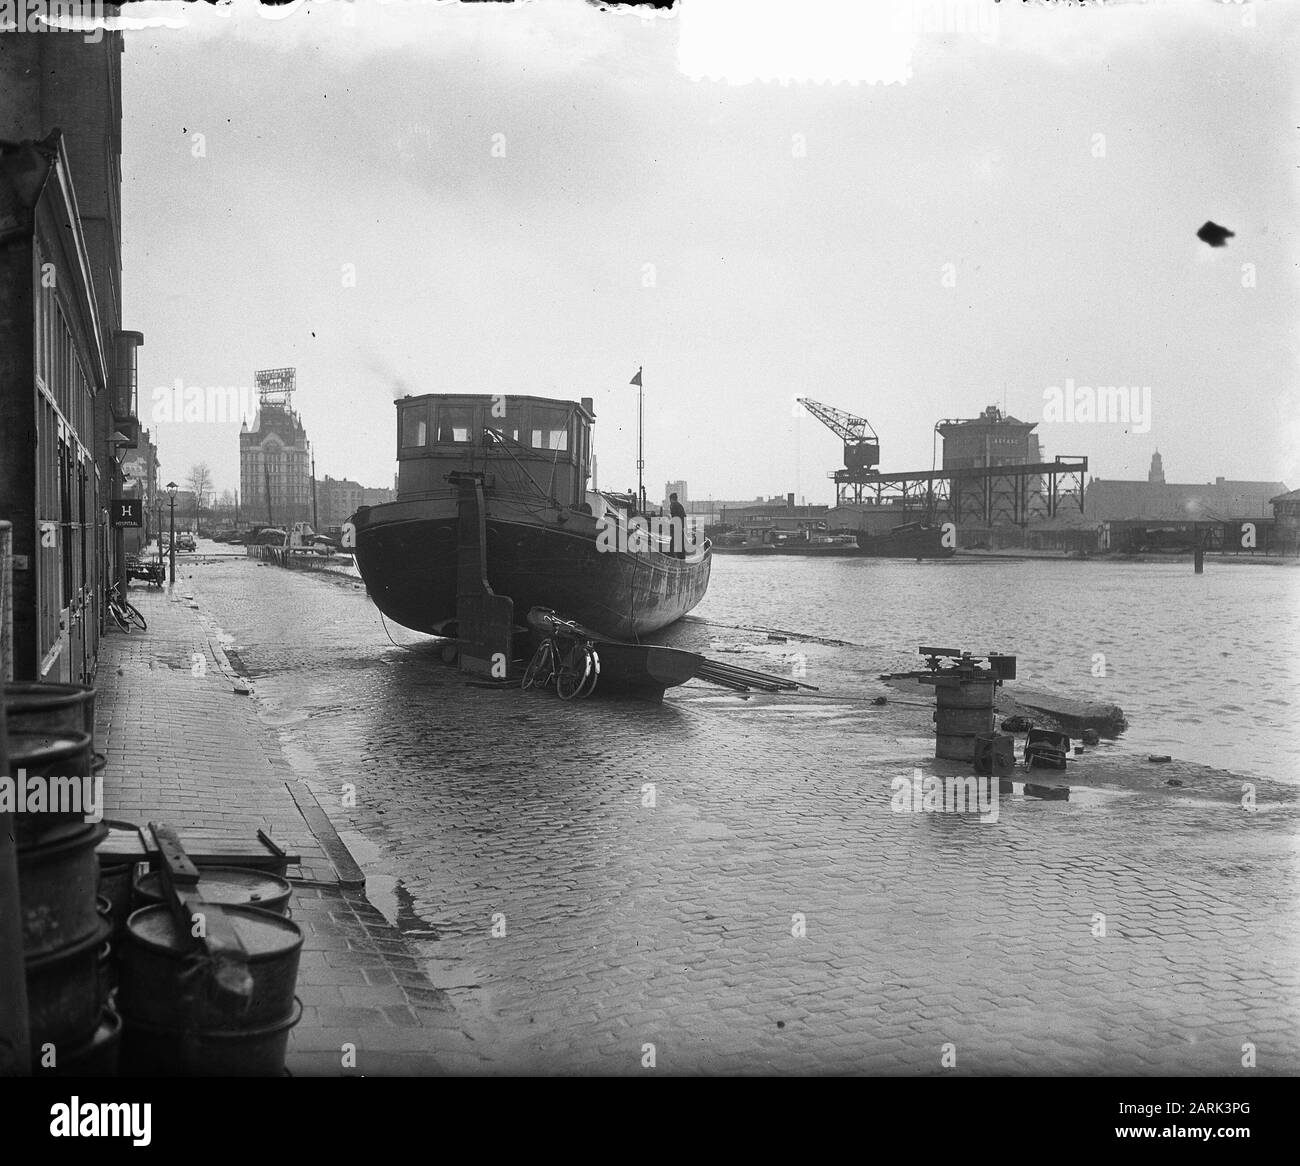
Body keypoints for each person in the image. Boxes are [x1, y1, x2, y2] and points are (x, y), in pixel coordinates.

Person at [669, 492, 688, 558]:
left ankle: (671, 557)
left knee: (673, 543)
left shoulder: (673, 505)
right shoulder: (680, 505)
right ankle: (682, 559)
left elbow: (674, 517)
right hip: (680, 526)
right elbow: (684, 516)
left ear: (671, 499)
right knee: (681, 543)